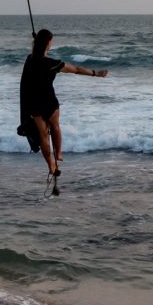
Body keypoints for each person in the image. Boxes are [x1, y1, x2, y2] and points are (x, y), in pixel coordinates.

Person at [18, 27, 108, 194]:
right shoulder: (51, 64)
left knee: (43, 135)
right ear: (48, 44)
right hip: (49, 102)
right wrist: (95, 73)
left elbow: (35, 53)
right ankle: (59, 154)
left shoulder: (30, 60)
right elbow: (75, 69)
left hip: (35, 104)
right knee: (55, 127)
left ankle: (51, 166)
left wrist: (36, 42)